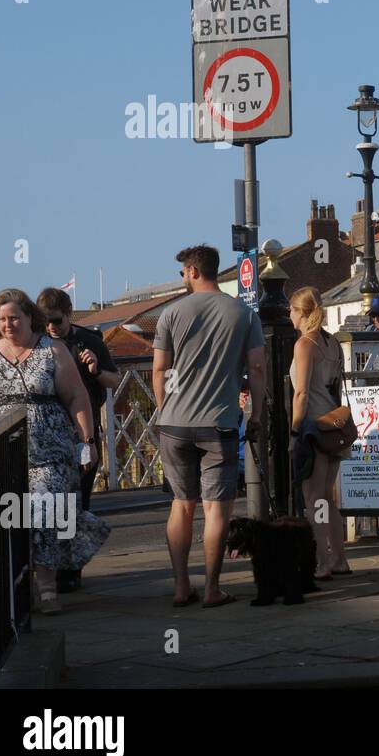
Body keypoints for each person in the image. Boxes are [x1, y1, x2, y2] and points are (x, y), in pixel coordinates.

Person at [0, 289, 110, 615]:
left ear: (30, 318)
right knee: (2, 517)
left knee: (45, 512)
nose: (8, 325)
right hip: (1, 451)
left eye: (14, 318)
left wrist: (87, 442)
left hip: (50, 450)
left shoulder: (53, 350)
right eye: (2, 319)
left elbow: (77, 397)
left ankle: (46, 587)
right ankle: (12, 587)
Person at [153, 245, 265, 608]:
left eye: (183, 272)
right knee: (216, 509)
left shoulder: (170, 313)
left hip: (174, 423)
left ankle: (181, 586)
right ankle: (213, 588)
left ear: (194, 271)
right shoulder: (245, 315)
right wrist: (257, 414)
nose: (183, 277)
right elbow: (258, 369)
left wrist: (164, 407)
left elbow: (159, 370)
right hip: (219, 423)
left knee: (181, 505)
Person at [37, 288, 121, 593]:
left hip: (81, 433)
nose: (51, 327)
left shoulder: (89, 340)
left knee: (77, 502)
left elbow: (114, 380)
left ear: (69, 314)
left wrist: (95, 369)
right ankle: (52, 568)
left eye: (56, 321)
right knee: (48, 504)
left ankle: (70, 569)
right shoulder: (36, 343)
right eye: (45, 321)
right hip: (46, 436)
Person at [288, 287, 352, 580]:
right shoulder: (333, 343)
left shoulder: (305, 345)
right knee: (328, 499)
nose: (289, 315)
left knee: (314, 499)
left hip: (313, 428)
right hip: (334, 428)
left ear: (302, 312)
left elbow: (300, 393)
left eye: (291, 310)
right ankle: (339, 559)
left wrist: (294, 430)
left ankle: (322, 562)